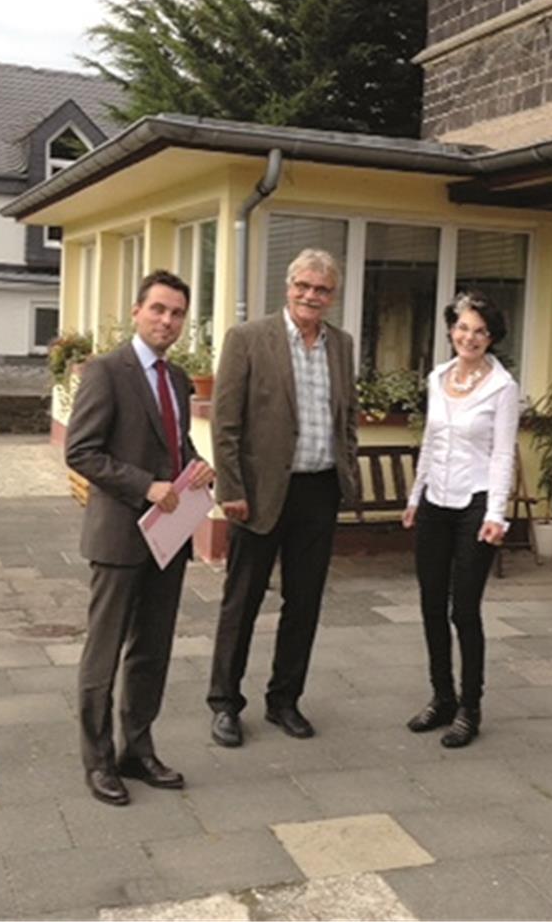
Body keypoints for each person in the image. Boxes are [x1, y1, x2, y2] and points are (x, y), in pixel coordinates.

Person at [66, 269, 214, 806]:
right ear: (136, 311)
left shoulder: (177, 379)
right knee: (103, 655)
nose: (167, 321)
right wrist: (145, 487)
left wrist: (198, 469)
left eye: (177, 313)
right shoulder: (107, 371)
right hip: (119, 537)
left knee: (152, 651)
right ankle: (98, 760)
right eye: (158, 309)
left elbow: (175, 451)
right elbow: (81, 451)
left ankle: (138, 749)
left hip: (167, 537)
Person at [207, 248, 359, 747]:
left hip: (317, 491)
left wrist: (347, 475)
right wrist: (231, 490)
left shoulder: (341, 344)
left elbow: (348, 419)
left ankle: (284, 700)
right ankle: (225, 703)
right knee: (242, 602)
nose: (312, 296)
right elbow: (226, 424)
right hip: (260, 494)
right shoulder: (249, 339)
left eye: (322, 289)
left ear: (332, 296)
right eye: (304, 286)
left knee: (305, 603)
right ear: (288, 287)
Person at [402, 291, 517, 748]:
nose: (469, 337)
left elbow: (504, 452)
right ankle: (442, 697)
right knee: (431, 604)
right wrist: (415, 496)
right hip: (435, 501)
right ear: (452, 329)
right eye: (463, 327)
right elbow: (430, 442)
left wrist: (497, 514)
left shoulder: (502, 388)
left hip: (476, 504)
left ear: (491, 338)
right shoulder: (437, 378)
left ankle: (471, 706)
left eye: (480, 331)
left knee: (463, 609)